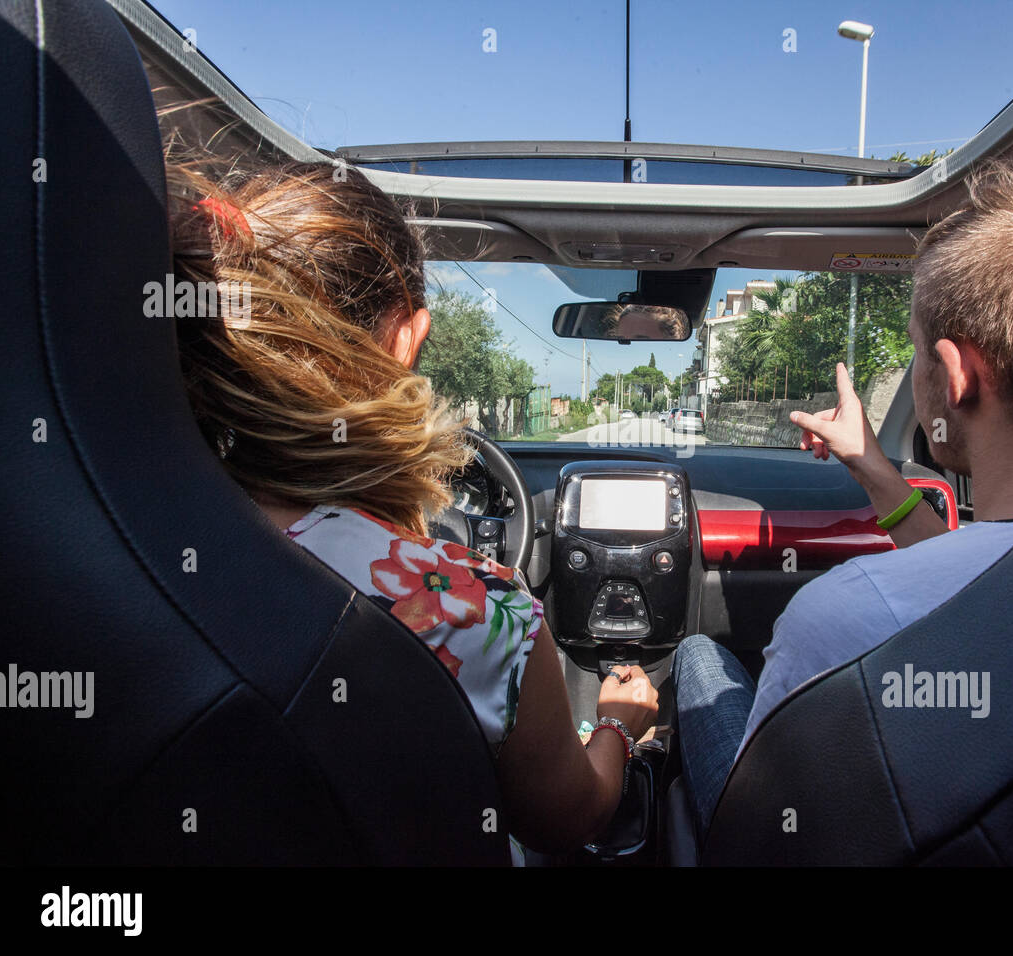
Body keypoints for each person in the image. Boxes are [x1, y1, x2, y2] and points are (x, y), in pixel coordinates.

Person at [167, 156, 658, 854]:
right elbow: (572, 819)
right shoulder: (477, 613)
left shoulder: (106, 553)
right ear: (405, 339)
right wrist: (616, 726)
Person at [672, 156, 1013, 840]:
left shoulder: (846, 615)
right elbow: (979, 578)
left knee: (696, 656)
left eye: (919, 350)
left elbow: (763, 821)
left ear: (956, 375)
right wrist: (869, 463)